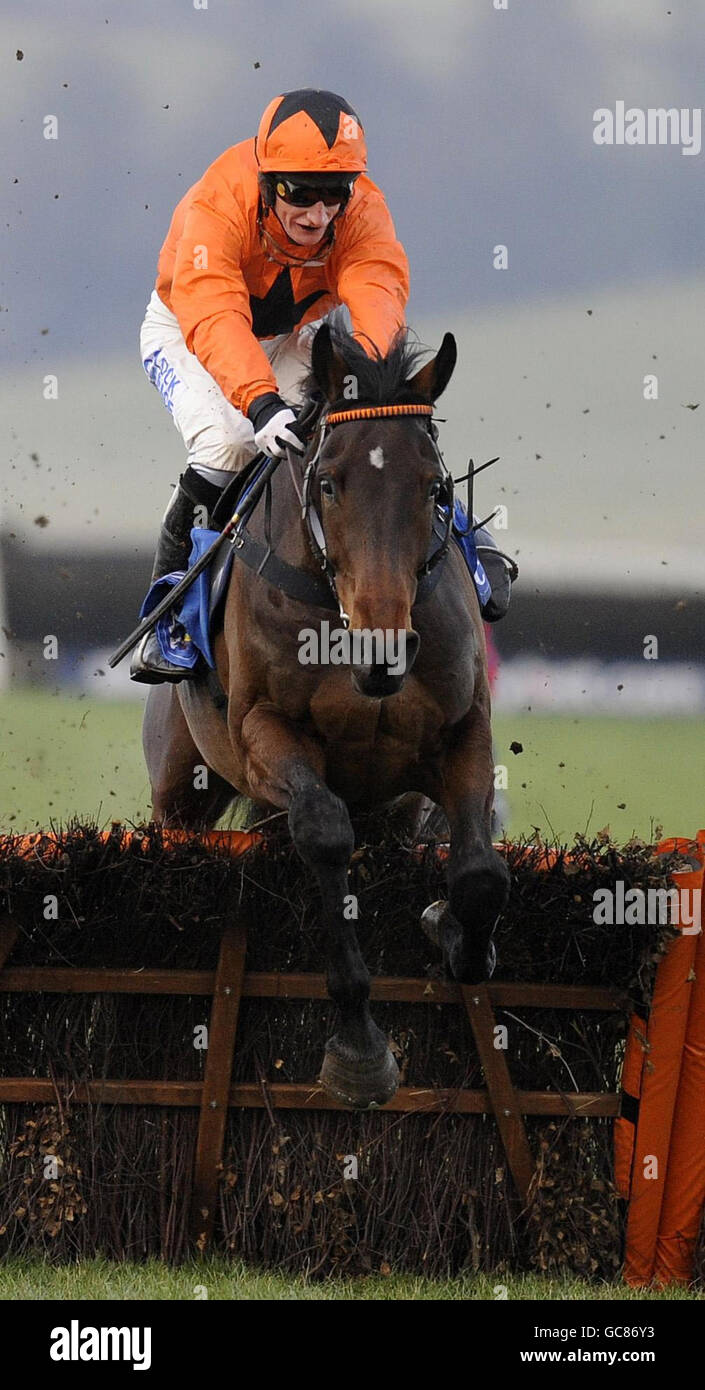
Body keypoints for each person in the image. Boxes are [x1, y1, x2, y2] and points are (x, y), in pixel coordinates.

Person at [131, 87, 513, 684]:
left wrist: (378, 385)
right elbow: (214, 314)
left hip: (297, 332)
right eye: (297, 193)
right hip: (190, 328)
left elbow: (378, 289)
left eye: (333, 194)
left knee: (369, 428)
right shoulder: (217, 202)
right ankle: (170, 612)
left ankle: (464, 533)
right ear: (265, 180)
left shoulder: (363, 211)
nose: (317, 214)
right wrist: (261, 404)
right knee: (232, 443)